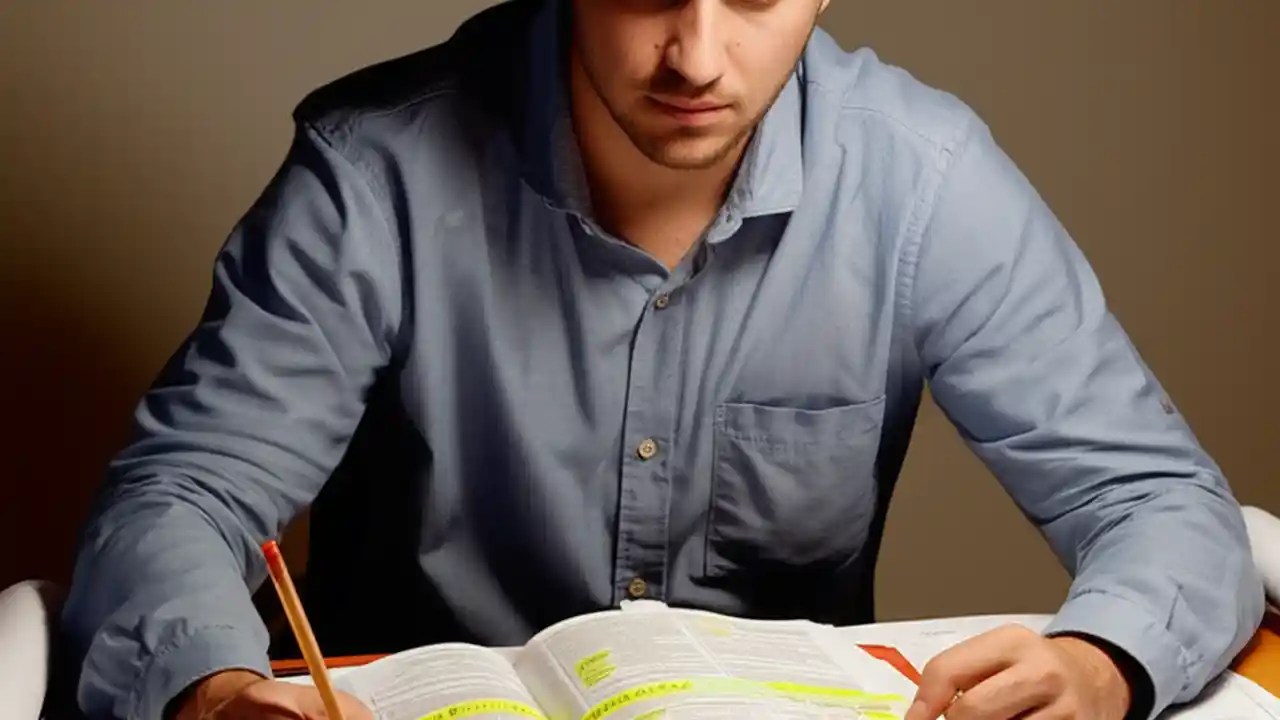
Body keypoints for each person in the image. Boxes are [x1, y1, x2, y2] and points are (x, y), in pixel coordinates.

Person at [61, 0, 1264, 718]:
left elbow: (1154, 499)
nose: (694, 54)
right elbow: (185, 493)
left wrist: (1102, 660)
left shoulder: (924, 175)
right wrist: (209, 692)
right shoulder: (373, 167)